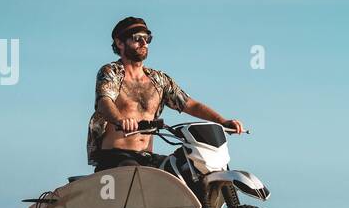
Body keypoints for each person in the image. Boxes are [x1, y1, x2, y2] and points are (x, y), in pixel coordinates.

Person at [87, 16, 244, 171]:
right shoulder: (111, 72)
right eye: (137, 38)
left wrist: (222, 121)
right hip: (116, 157)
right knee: (137, 176)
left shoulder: (158, 79)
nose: (144, 43)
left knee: (186, 168)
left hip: (146, 157)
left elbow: (190, 104)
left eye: (147, 38)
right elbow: (104, 102)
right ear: (120, 43)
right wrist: (120, 119)